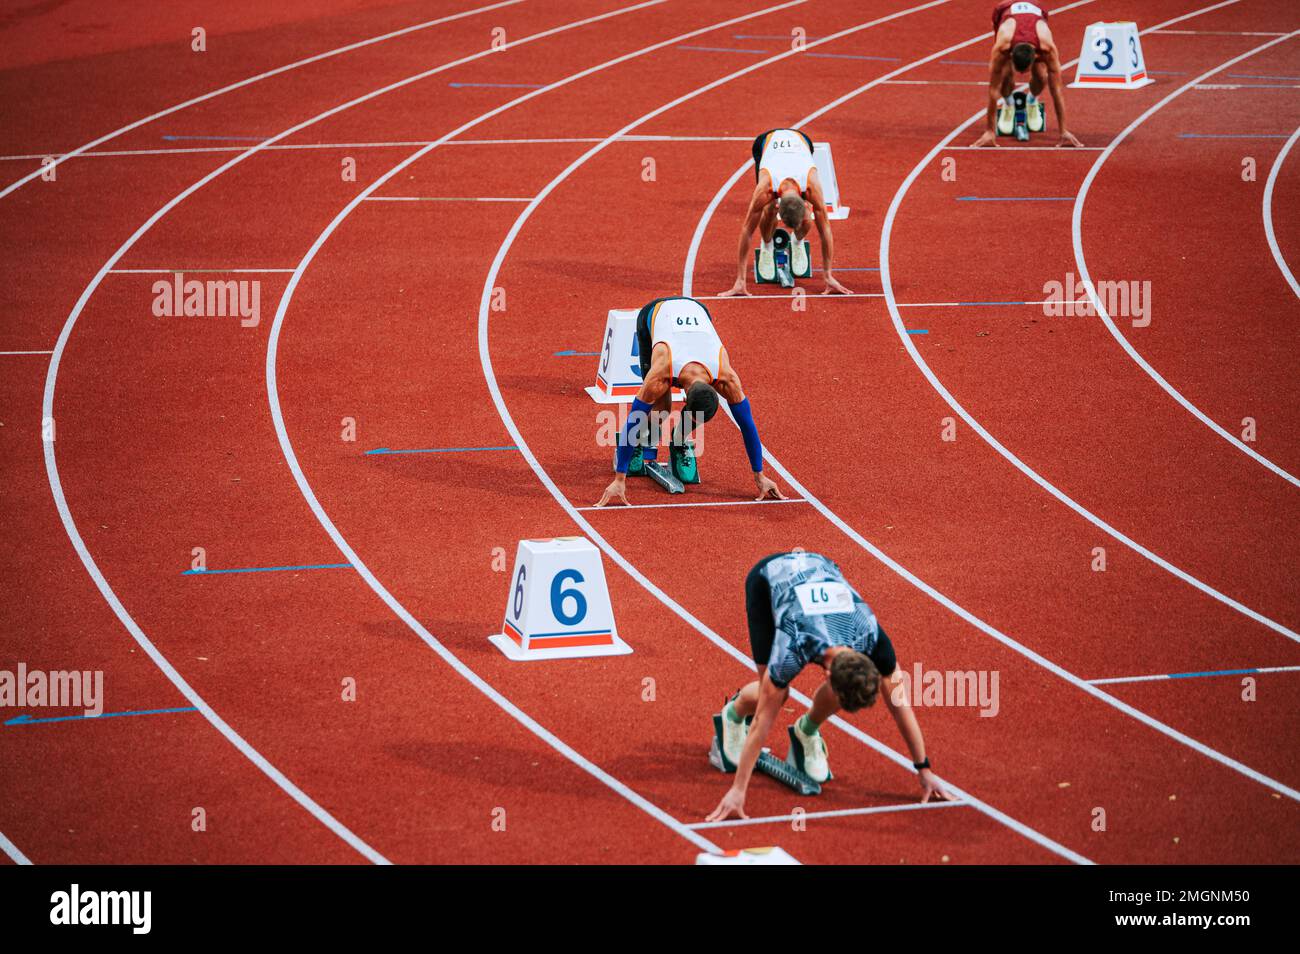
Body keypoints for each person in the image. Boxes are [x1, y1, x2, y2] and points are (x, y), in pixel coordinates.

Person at [706, 550, 950, 821]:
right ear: (828, 675)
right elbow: (763, 720)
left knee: (841, 689)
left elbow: (900, 705)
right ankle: (734, 713)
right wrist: (738, 790)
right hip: (769, 580)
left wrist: (924, 769)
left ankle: (806, 731)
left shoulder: (872, 637)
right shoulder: (793, 645)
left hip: (816, 567)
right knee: (774, 692)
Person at [596, 296, 783, 506]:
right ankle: (639, 442)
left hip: (698, 309)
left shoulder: (726, 377)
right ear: (684, 397)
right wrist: (619, 478)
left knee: (683, 414)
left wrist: (760, 476)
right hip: (654, 313)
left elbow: (747, 425)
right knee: (661, 412)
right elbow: (634, 418)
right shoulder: (662, 371)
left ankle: (678, 439)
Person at [719, 128, 851, 296]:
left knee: (810, 219)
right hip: (765, 143)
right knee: (767, 209)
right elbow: (746, 231)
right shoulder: (765, 189)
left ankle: (797, 241)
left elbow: (825, 230)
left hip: (801, 139)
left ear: (805, 203)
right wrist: (740, 280)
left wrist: (828, 275)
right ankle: (767, 244)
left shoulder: (812, 186)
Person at [973, 1, 1083, 148]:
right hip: (1004, 12)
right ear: (1010, 54)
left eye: (1025, 70)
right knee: (1005, 76)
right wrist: (989, 131)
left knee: (1042, 76)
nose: (1022, 74)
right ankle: (1009, 104)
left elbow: (1056, 90)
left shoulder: (1047, 47)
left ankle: (1032, 101)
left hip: (1037, 13)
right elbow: (993, 90)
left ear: (1036, 57)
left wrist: (1064, 131)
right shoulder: (1002, 46)